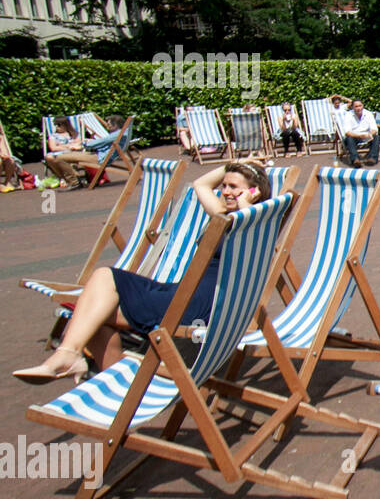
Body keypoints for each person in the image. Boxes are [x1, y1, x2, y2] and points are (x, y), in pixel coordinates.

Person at [13, 161, 270, 383]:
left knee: (93, 310)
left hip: (195, 305)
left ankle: (99, 373)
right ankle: (76, 358)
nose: (225, 191)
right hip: (181, 292)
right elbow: (200, 185)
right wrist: (235, 165)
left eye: (233, 187)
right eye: (224, 186)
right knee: (102, 281)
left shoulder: (252, 225)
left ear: (253, 192)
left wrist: (248, 204)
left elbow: (245, 233)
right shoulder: (225, 215)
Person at [44, 117, 100, 188]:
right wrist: (69, 146)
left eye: (58, 124)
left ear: (65, 125)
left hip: (73, 153)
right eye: (55, 125)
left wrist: (62, 145)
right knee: (49, 157)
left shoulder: (74, 133)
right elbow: (53, 148)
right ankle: (63, 178)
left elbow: (78, 145)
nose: (56, 127)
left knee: (59, 159)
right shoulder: (53, 136)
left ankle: (70, 180)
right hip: (59, 153)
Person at [340, 98, 380, 166]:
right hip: (354, 136)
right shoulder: (348, 115)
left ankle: (372, 158)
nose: (358, 108)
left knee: (376, 137)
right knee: (349, 138)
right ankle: (355, 159)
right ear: (352, 107)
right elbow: (347, 132)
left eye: (360, 106)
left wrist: (369, 134)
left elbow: (374, 129)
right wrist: (359, 136)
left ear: (363, 106)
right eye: (356, 106)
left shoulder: (368, 114)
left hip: (366, 136)